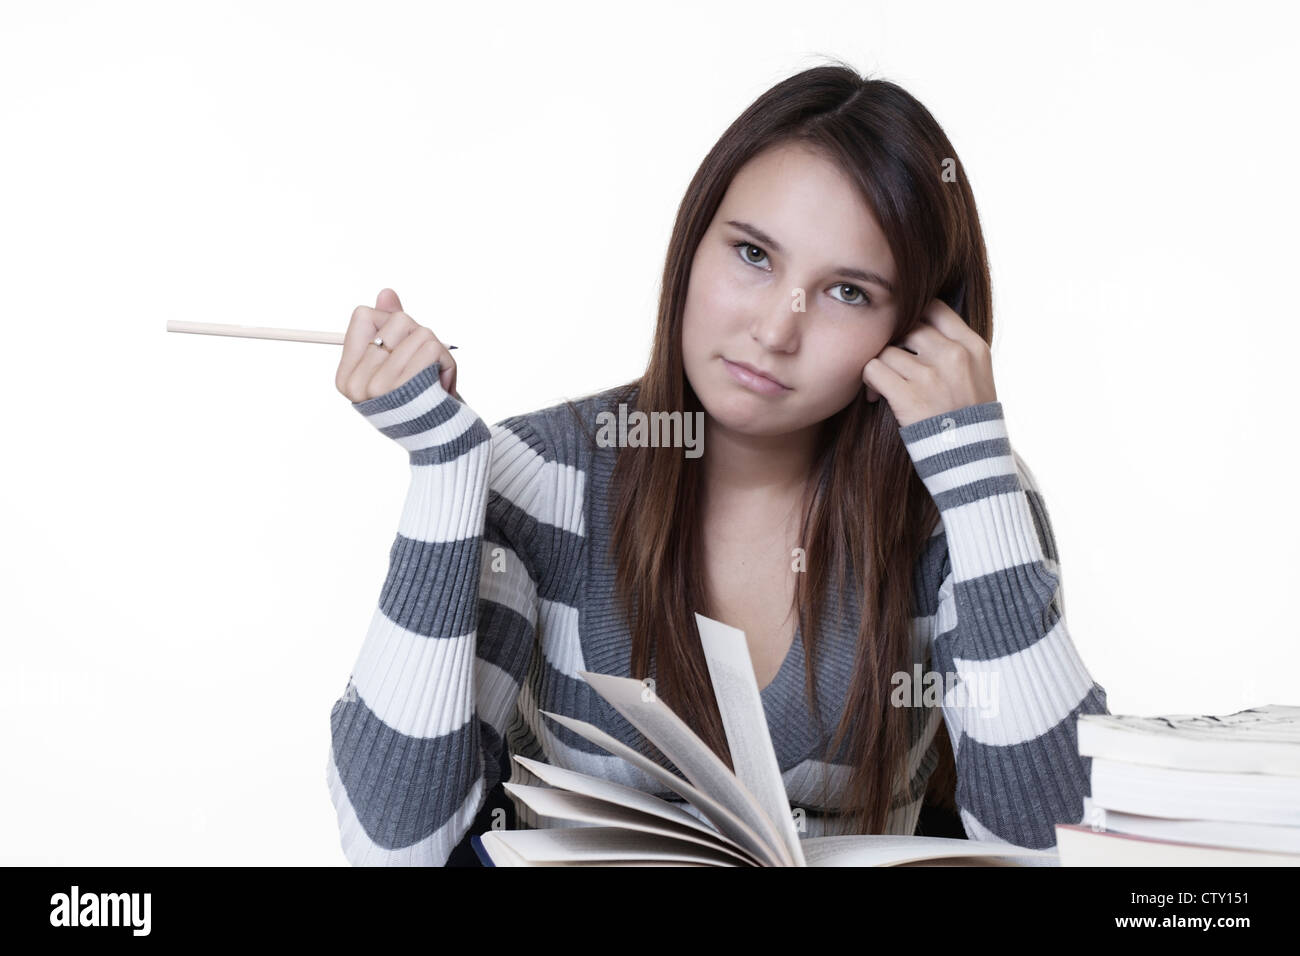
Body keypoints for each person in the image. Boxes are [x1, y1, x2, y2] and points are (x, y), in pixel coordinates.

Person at [326, 59, 1110, 866]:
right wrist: (449, 470)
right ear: (694, 242)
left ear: (919, 329)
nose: (776, 330)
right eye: (753, 254)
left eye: (848, 293)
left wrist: (977, 475)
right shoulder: (540, 475)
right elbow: (398, 849)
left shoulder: (965, 492)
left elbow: (1058, 849)